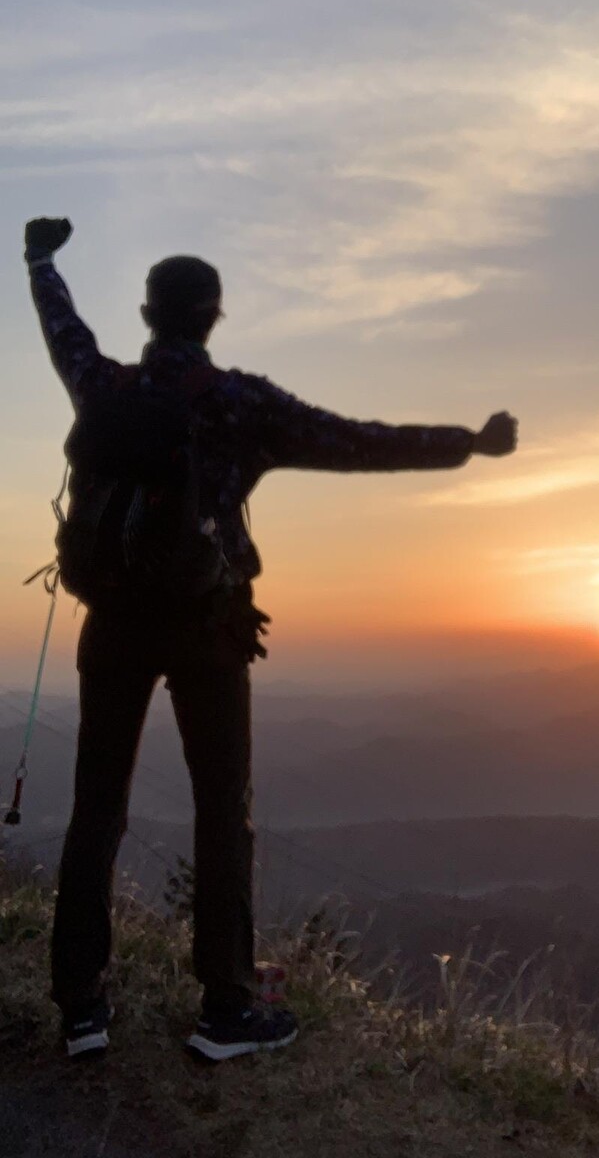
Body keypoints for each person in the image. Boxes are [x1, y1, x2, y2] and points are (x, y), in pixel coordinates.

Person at [23, 216, 518, 1062]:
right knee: (223, 812)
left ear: (147, 314)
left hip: (113, 628)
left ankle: (81, 1010)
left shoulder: (102, 390)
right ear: (214, 317)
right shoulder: (241, 404)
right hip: (209, 629)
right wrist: (466, 445)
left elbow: (62, 328)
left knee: (94, 810)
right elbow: (356, 443)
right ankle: (225, 1010)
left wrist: (40, 259)